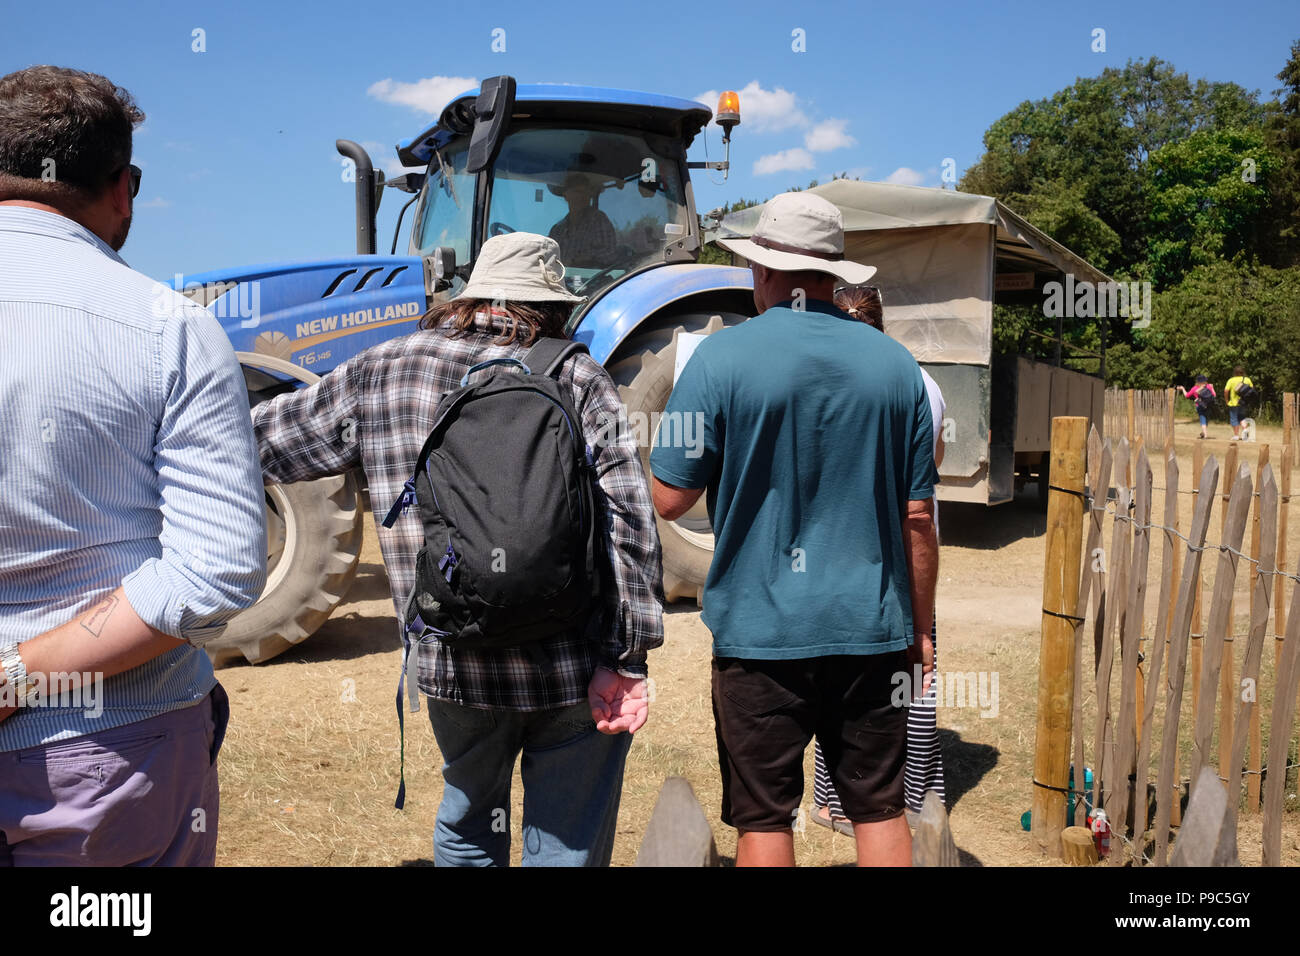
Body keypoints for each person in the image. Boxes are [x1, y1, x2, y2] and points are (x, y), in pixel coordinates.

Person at [252, 232, 663, 867]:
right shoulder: (578, 374)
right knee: (567, 839)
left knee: (470, 821)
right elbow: (628, 523)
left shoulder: (380, 368)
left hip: (451, 657)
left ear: (469, 296)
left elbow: (261, 444)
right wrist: (625, 656)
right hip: (572, 661)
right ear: (551, 307)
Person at [0, 66, 268, 865]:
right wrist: (18, 675)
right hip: (109, 754)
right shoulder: (171, 329)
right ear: (123, 187)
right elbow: (214, 571)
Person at [649, 192, 938, 867]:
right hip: (872, 630)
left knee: (766, 822)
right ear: (836, 276)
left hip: (760, 634)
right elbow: (918, 517)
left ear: (766, 272)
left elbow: (668, 497)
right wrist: (919, 629)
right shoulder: (896, 365)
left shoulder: (717, 362)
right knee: (880, 808)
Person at [811, 285, 947, 835]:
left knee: (836, 676)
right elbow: (927, 479)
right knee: (913, 676)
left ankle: (835, 798)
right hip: (902, 559)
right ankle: (908, 798)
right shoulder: (919, 381)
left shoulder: (824, 378)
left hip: (842, 553)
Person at [548, 171, 616, 268]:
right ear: (566, 195)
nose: (582, 197)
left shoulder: (598, 220)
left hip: (594, 281)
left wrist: (585, 258)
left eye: (586, 192)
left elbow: (610, 253)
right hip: (560, 281)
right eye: (577, 192)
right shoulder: (557, 230)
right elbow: (549, 259)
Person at [1179, 375, 1217, 440]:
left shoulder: (1194, 388)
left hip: (1200, 406)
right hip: (1208, 405)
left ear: (1197, 381)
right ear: (1205, 381)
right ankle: (1203, 432)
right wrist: (1212, 388)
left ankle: (1205, 435)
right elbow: (1214, 395)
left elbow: (1187, 395)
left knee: (1203, 420)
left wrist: (1183, 389)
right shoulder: (1208, 386)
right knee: (1206, 420)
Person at [1224, 365, 1255, 440]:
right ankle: (1245, 429)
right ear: (1243, 372)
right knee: (1242, 417)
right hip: (1243, 402)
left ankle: (1236, 435)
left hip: (1234, 403)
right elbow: (1252, 389)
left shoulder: (1231, 380)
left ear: (1234, 372)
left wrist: (1226, 400)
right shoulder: (1247, 379)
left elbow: (1226, 391)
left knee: (1234, 419)